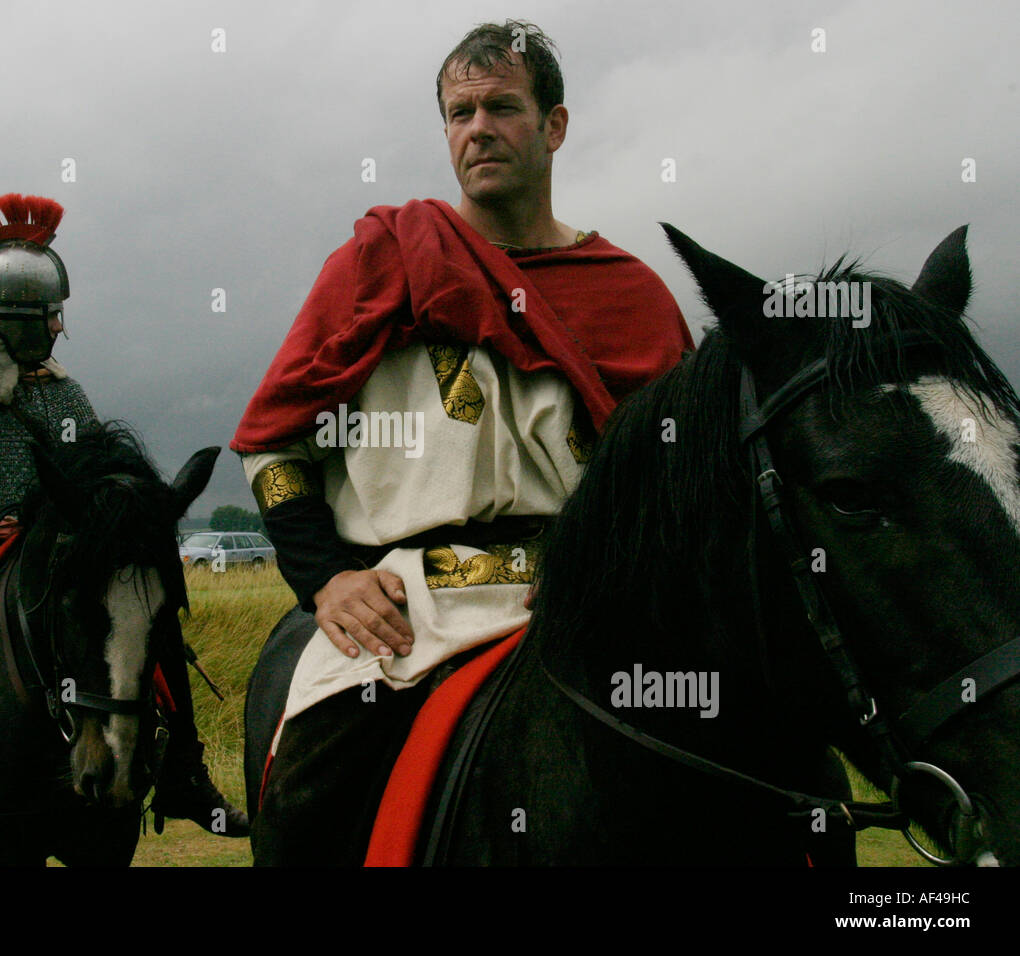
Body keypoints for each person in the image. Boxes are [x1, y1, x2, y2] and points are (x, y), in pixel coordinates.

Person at [232, 21, 694, 863]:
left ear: (554, 125)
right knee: (309, 806)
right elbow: (275, 442)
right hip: (408, 611)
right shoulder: (386, 257)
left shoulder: (630, 295)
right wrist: (324, 578)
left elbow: (682, 485)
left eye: (502, 107)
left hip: (583, 606)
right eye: (459, 112)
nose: (478, 127)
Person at [0, 164, 246, 866]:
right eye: (50, 314)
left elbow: (92, 475)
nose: (60, 326)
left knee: (148, 621)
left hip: (55, 546)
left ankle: (183, 770)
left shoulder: (66, 393)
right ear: (19, 318)